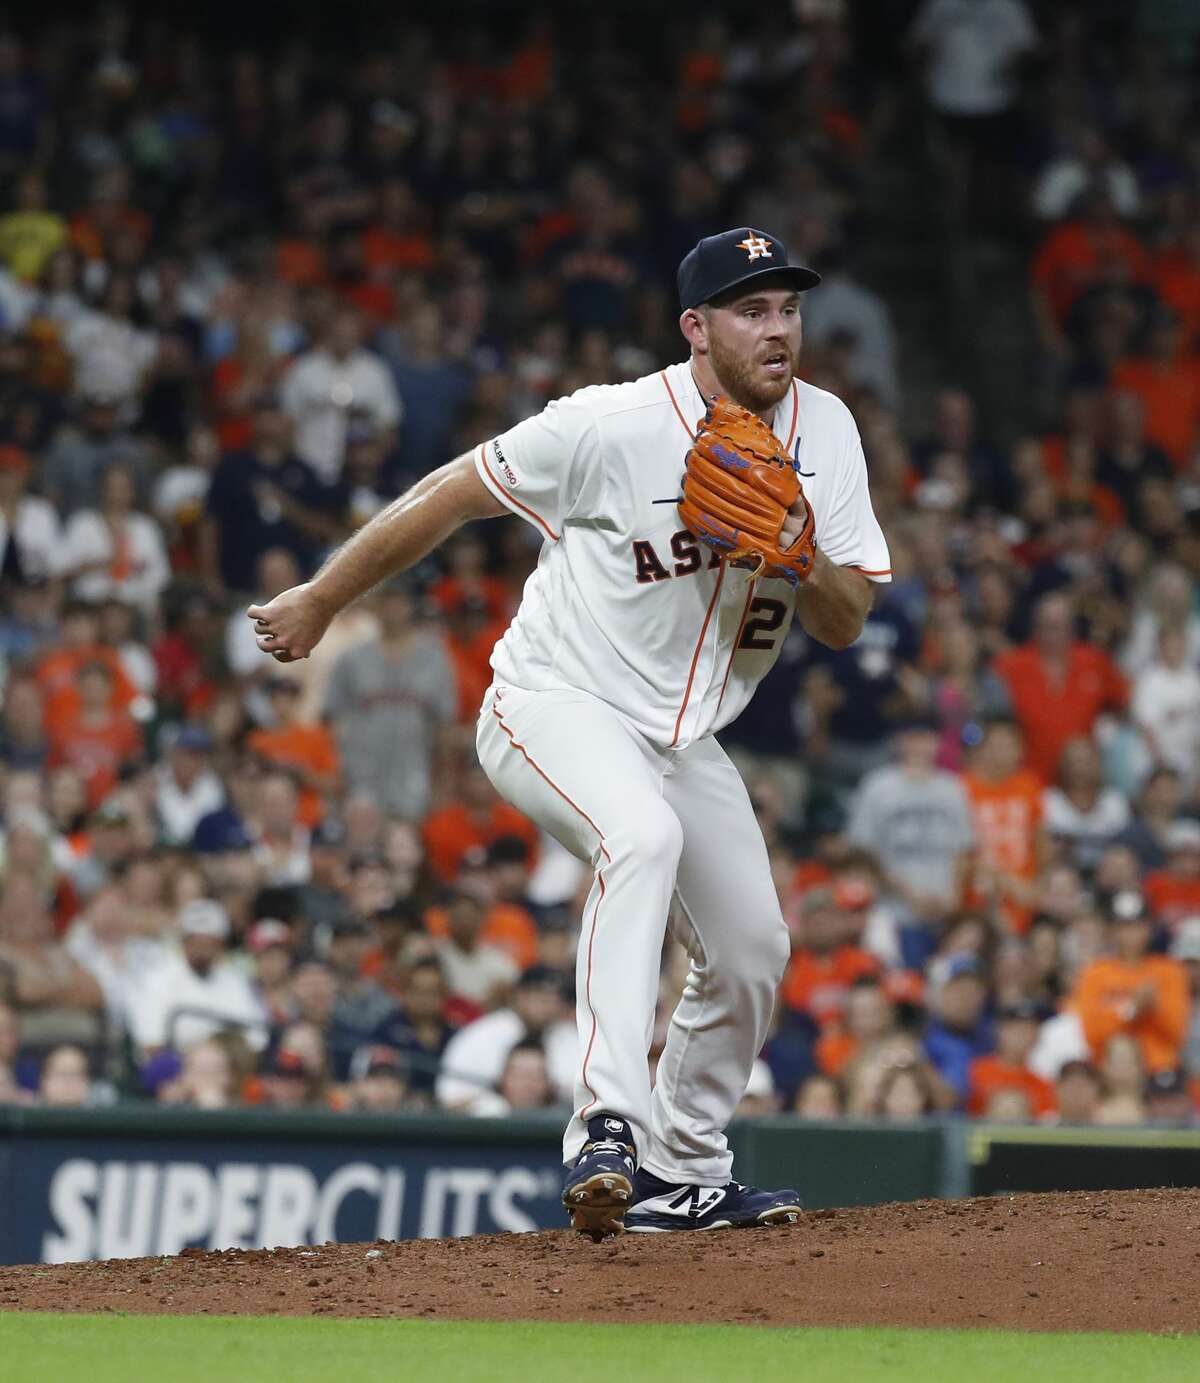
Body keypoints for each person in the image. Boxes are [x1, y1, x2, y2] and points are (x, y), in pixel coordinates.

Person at [247, 226, 889, 1237]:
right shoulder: (610, 425)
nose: (778, 329)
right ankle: (607, 1128)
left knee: (755, 945)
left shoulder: (828, 430)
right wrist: (325, 597)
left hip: (683, 737)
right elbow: (450, 495)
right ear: (696, 328)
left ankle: (684, 1172)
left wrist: (804, 556)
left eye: (789, 308)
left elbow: (847, 620)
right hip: (554, 700)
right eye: (751, 310)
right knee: (639, 838)